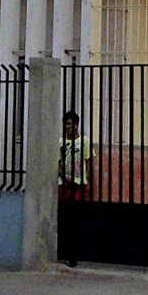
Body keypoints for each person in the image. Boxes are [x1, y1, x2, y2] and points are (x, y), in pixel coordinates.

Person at [57, 110, 92, 267]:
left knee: (76, 218)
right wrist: (64, 178)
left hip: (79, 183)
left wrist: (88, 182)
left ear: (76, 125)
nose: (68, 127)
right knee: (64, 218)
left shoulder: (84, 141)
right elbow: (58, 163)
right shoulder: (60, 142)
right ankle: (64, 251)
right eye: (66, 124)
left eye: (70, 124)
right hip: (64, 184)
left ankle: (74, 255)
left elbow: (88, 162)